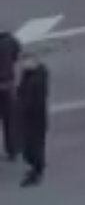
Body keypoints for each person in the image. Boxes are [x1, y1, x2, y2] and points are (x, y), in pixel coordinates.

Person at [16, 58, 49, 187]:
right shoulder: (31, 76)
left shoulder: (36, 81)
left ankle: (37, 173)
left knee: (33, 147)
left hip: (34, 119)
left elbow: (31, 101)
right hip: (32, 119)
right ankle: (36, 169)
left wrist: (21, 105)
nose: (22, 65)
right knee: (31, 146)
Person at [0, 29, 21, 162]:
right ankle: (13, 149)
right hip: (7, 84)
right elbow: (16, 56)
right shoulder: (9, 41)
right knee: (10, 118)